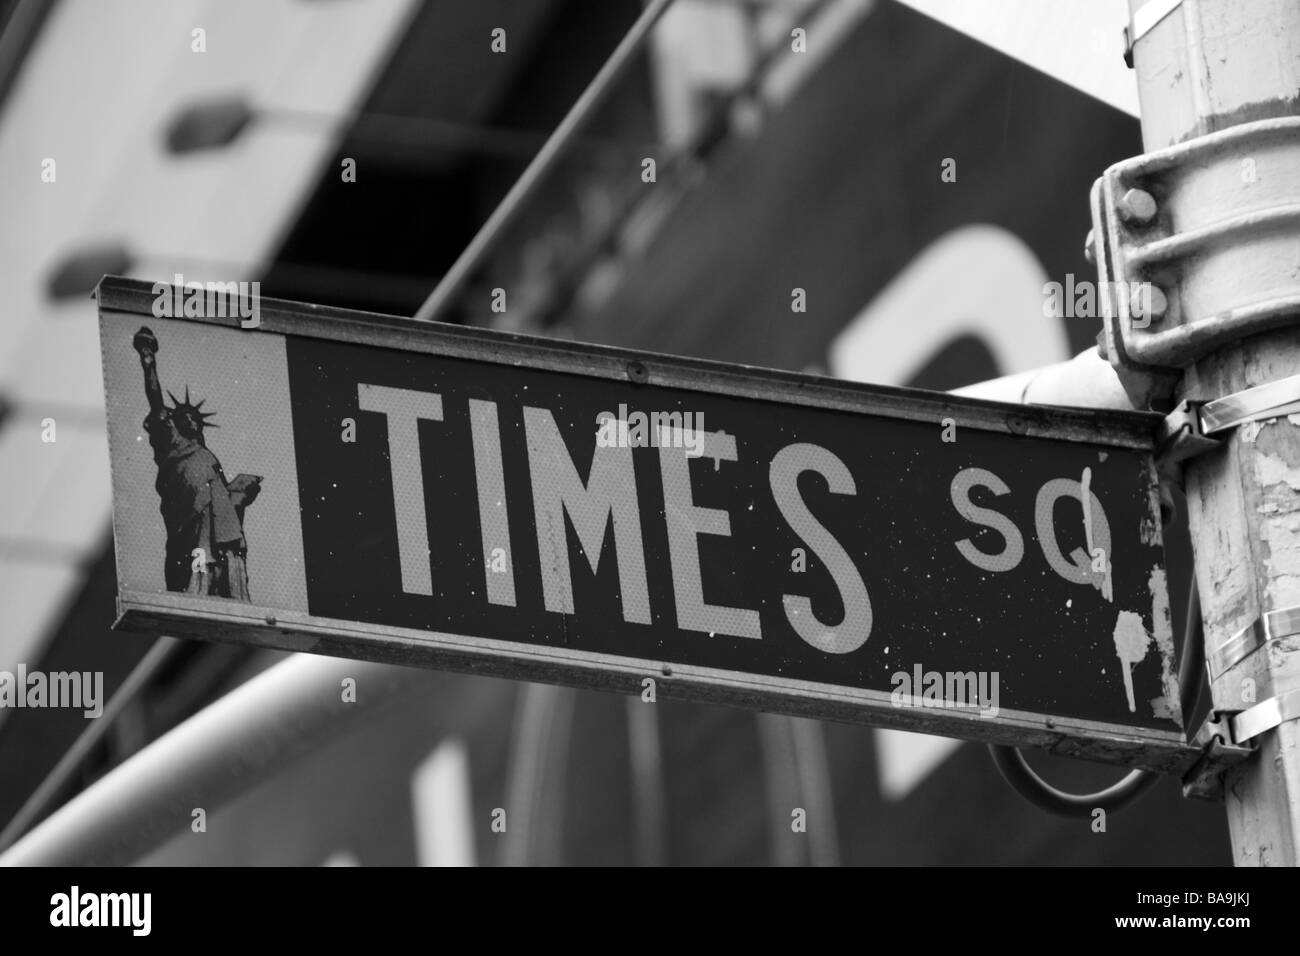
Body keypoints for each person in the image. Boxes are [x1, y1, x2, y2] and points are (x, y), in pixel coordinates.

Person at [132, 325, 260, 600]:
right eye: (185, 416)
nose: (190, 420)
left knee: (223, 559)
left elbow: (226, 502)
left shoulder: (207, 456)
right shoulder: (171, 440)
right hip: (187, 512)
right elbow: (156, 402)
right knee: (193, 558)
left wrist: (241, 491)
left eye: (195, 418)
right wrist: (148, 363)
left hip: (217, 525)